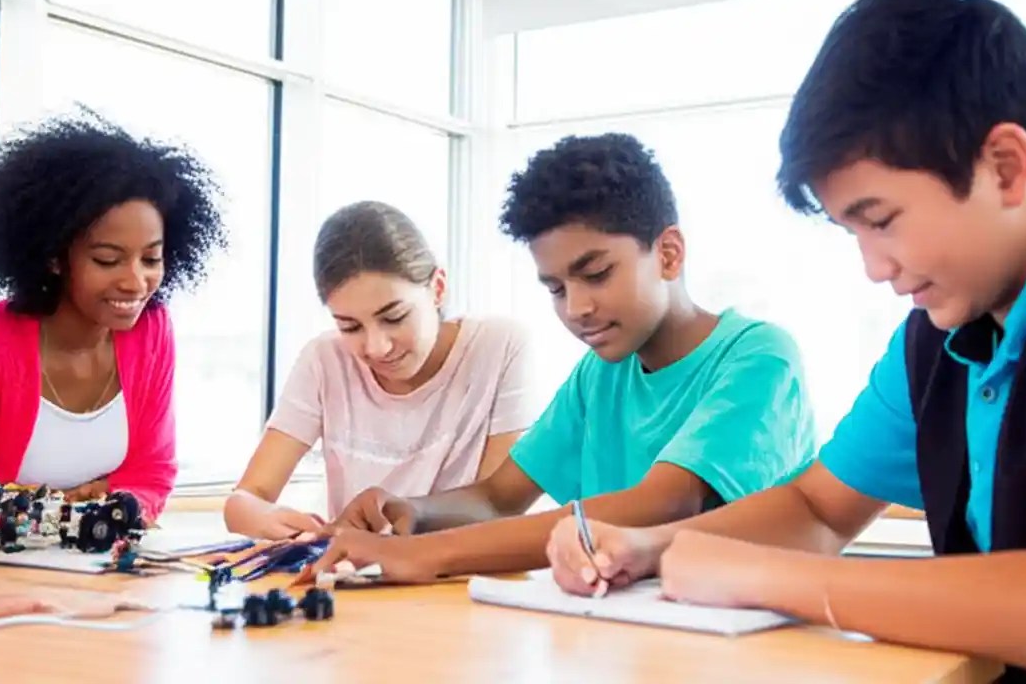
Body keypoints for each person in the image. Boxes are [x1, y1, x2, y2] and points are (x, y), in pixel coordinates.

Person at [545, 0, 1026, 683]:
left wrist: (765, 578)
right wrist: (652, 546)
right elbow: (818, 508)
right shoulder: (937, 335)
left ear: (1006, 166)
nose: (874, 268)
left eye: (881, 221)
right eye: (853, 231)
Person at [296, 133, 817, 584]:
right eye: (555, 288)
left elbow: (664, 502)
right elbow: (500, 496)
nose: (577, 308)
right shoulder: (601, 373)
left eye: (595, 274)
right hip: (629, 632)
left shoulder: (759, 356)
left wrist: (424, 554)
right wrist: (414, 511)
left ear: (668, 254)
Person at [0, 109, 228, 521]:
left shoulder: (151, 329)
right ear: (54, 258)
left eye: (151, 258)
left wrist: (117, 503)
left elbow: (152, 471)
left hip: (91, 572)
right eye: (107, 259)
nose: (136, 282)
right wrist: (32, 507)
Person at [224, 201, 535, 540]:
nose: (375, 347)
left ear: (438, 288)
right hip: (359, 583)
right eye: (350, 326)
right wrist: (265, 517)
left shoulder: (499, 346)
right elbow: (244, 500)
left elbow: (500, 505)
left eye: (394, 317)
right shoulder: (324, 359)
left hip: (460, 580)